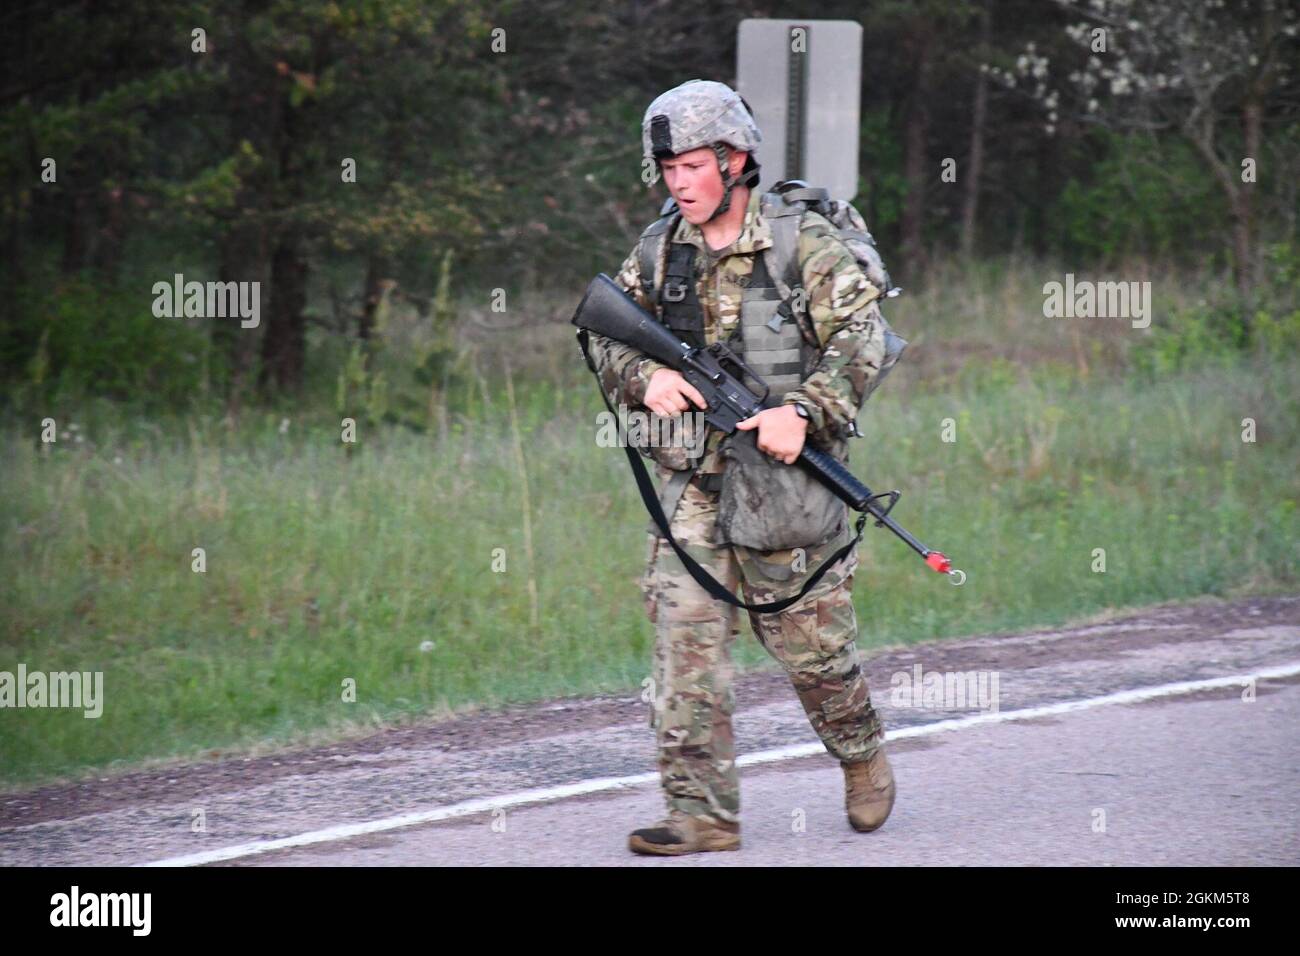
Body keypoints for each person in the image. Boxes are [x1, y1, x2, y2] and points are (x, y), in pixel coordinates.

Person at [586, 78, 896, 856]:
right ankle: (702, 814)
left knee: (810, 649)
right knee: (684, 639)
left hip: (787, 480)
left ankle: (860, 753)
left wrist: (806, 410)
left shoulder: (800, 244)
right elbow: (602, 330)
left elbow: (864, 337)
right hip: (694, 480)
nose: (677, 182)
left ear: (734, 159)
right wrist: (642, 378)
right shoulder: (661, 250)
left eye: (691, 165)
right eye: (667, 168)